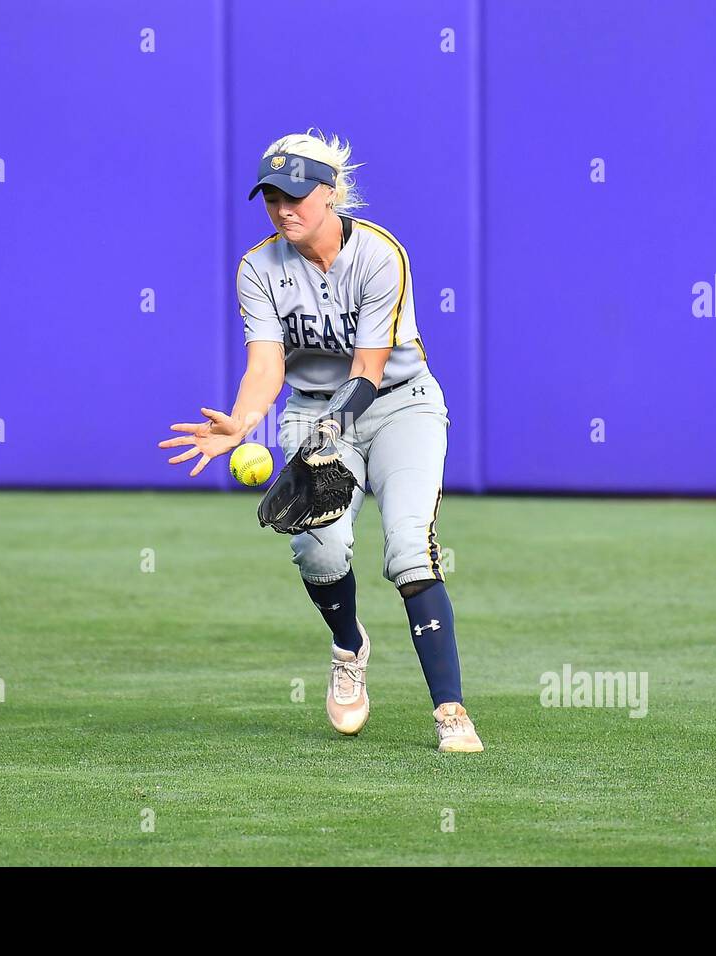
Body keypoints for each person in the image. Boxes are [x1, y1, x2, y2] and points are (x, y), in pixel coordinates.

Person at [158, 131, 482, 753]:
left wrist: (330, 433)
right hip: (310, 412)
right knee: (320, 552)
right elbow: (266, 365)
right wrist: (243, 419)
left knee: (410, 548)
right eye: (273, 196)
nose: (285, 209)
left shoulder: (381, 254)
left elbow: (368, 368)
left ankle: (450, 710)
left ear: (330, 194)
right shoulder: (258, 267)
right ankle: (348, 646)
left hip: (399, 407)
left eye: (299, 195)